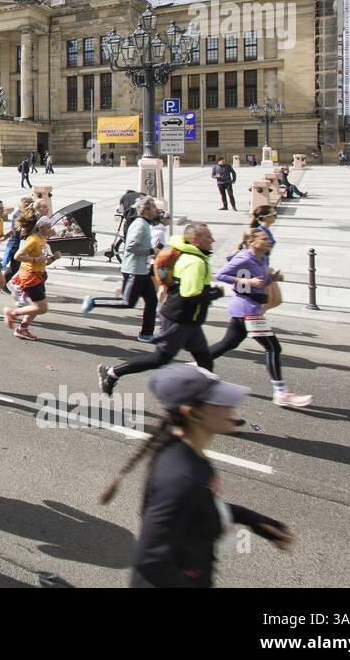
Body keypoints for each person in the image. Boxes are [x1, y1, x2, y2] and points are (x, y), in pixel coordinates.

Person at [100, 363, 294, 587]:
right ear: (192, 412)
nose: (232, 406)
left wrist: (250, 519)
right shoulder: (182, 476)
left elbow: (197, 508)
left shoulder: (188, 456)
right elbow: (151, 559)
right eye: (220, 401)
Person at [99, 223, 224, 396]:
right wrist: (215, 293)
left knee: (205, 363)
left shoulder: (193, 257)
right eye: (208, 236)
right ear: (196, 240)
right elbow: (190, 294)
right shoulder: (195, 262)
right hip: (179, 319)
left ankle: (204, 404)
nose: (212, 240)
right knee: (160, 359)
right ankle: (112, 373)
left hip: (191, 320)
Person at [209, 228, 312, 407]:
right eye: (264, 239)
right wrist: (246, 282)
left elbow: (260, 281)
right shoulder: (243, 258)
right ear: (252, 242)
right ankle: (281, 392)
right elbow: (219, 275)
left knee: (229, 343)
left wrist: (271, 278)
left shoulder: (262, 257)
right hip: (247, 310)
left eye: (268, 239)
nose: (268, 242)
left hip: (249, 308)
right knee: (273, 348)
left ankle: (196, 363)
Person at [82, 196, 160, 342]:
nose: (157, 210)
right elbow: (131, 246)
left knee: (152, 301)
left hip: (142, 270)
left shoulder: (144, 223)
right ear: (146, 210)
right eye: (154, 207)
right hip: (133, 271)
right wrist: (151, 251)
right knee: (126, 302)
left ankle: (146, 334)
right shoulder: (140, 225)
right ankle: (93, 302)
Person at [2, 216, 61, 340]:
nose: (50, 229)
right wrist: (35, 259)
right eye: (48, 227)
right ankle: (12, 313)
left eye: (50, 226)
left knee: (36, 306)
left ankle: (22, 329)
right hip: (30, 276)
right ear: (40, 227)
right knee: (42, 308)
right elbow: (18, 256)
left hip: (39, 276)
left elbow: (43, 262)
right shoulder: (33, 239)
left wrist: (54, 258)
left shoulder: (42, 240)